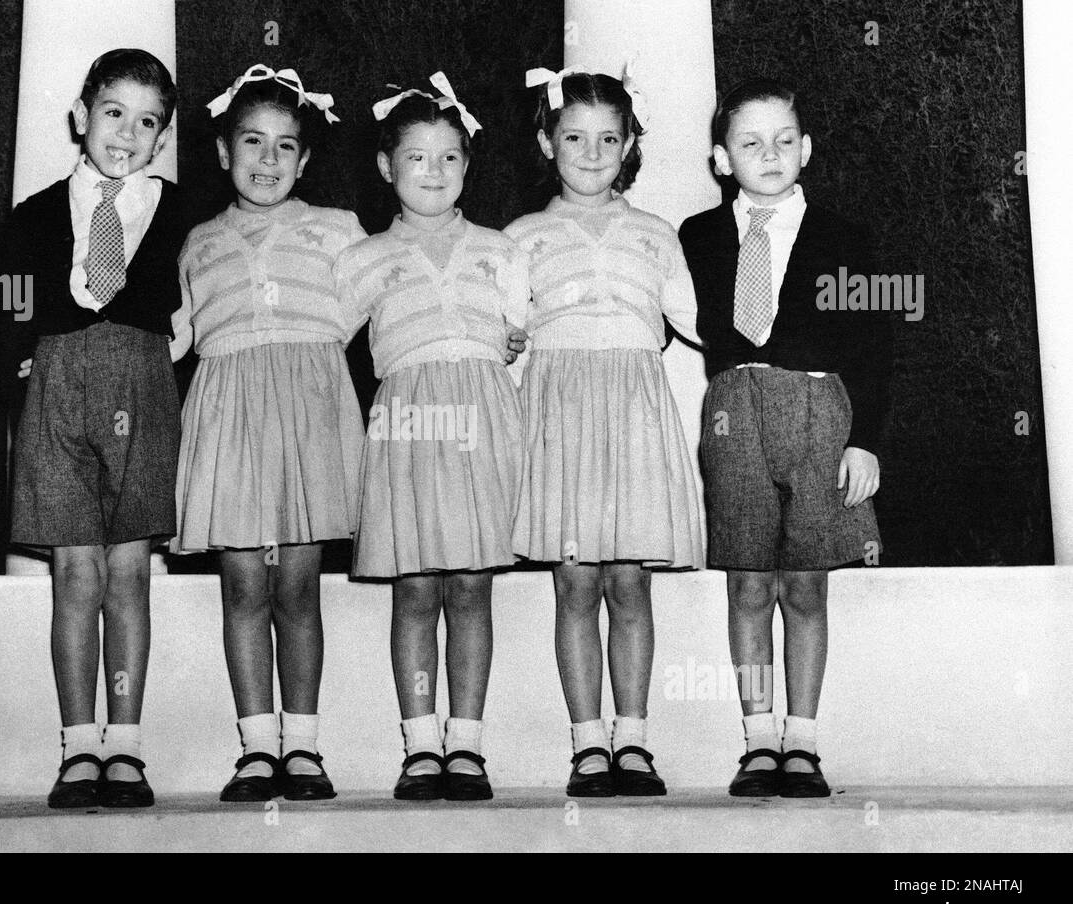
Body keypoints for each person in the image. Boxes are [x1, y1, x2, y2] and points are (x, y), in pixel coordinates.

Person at [678, 78, 891, 798]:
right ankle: (758, 741)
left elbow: (879, 341)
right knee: (746, 581)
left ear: (805, 147)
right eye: (748, 142)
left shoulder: (846, 236)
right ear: (719, 157)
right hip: (736, 408)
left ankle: (802, 741)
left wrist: (865, 439)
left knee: (805, 586)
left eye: (782, 140)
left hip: (819, 409)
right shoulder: (697, 237)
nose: (767, 154)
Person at [505, 64, 703, 798]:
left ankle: (636, 739)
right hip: (559, 415)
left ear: (630, 147)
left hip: (632, 416)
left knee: (630, 581)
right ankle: (589, 743)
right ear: (546, 141)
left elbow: (703, 322)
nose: (592, 152)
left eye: (609, 139)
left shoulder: (656, 236)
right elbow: (500, 328)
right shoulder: (522, 235)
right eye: (575, 137)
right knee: (575, 581)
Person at [170, 65, 364, 802]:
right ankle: (257, 747)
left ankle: (305, 746)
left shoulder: (338, 230)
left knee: (299, 586)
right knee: (244, 585)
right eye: (252, 141)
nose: (268, 159)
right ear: (223, 151)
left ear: (306, 159)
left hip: (309, 416)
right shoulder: (198, 242)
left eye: (286, 146)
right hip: (231, 419)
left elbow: (397, 291)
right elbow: (170, 336)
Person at [334, 74, 527, 801]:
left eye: (450, 158)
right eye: (417, 158)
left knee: (471, 585)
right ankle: (421, 746)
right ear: (387, 166)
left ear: (468, 165)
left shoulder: (501, 249)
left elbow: (528, 337)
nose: (434, 173)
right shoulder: (363, 257)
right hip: (407, 427)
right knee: (415, 588)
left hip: (482, 424)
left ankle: (468, 745)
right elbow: (318, 343)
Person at [4, 49, 188, 809]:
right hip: (57, 389)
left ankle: (128, 748)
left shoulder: (180, 211)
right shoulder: (33, 215)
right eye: (114, 112)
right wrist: (12, 376)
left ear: (162, 138)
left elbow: (207, 291)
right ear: (82, 116)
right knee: (75, 572)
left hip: (144, 386)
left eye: (148, 122)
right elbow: (7, 310)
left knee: (128, 573)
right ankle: (80, 748)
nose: (127, 132)